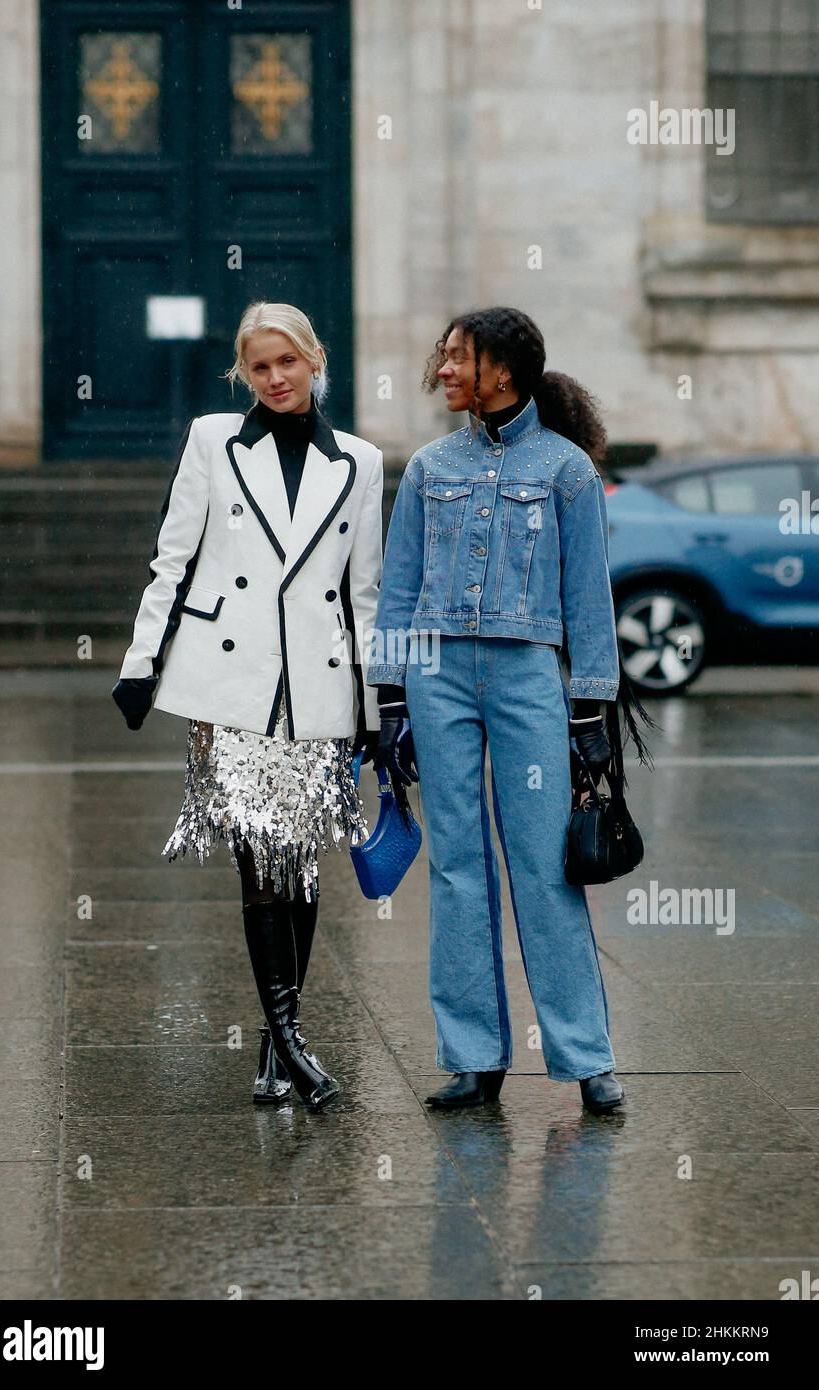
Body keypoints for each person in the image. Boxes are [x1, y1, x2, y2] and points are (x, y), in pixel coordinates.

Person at [367, 305, 650, 1114]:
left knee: (544, 867)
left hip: (529, 680)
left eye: (461, 357)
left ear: (506, 371)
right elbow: (401, 587)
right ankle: (472, 1057)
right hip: (438, 679)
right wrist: (391, 699)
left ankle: (587, 1058)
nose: (445, 369)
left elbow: (589, 599)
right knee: (457, 869)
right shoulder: (427, 467)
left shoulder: (566, 471)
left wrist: (591, 715)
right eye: (444, 356)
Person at [112, 301, 383, 1110]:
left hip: (320, 690)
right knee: (261, 862)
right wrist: (139, 664)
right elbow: (173, 560)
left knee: (299, 867)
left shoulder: (361, 463)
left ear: (314, 359)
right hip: (229, 691)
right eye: (259, 367)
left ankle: (275, 1041)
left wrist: (379, 704)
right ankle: (294, 1040)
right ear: (243, 372)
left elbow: (364, 594)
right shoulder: (211, 442)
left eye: (287, 363)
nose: (274, 379)